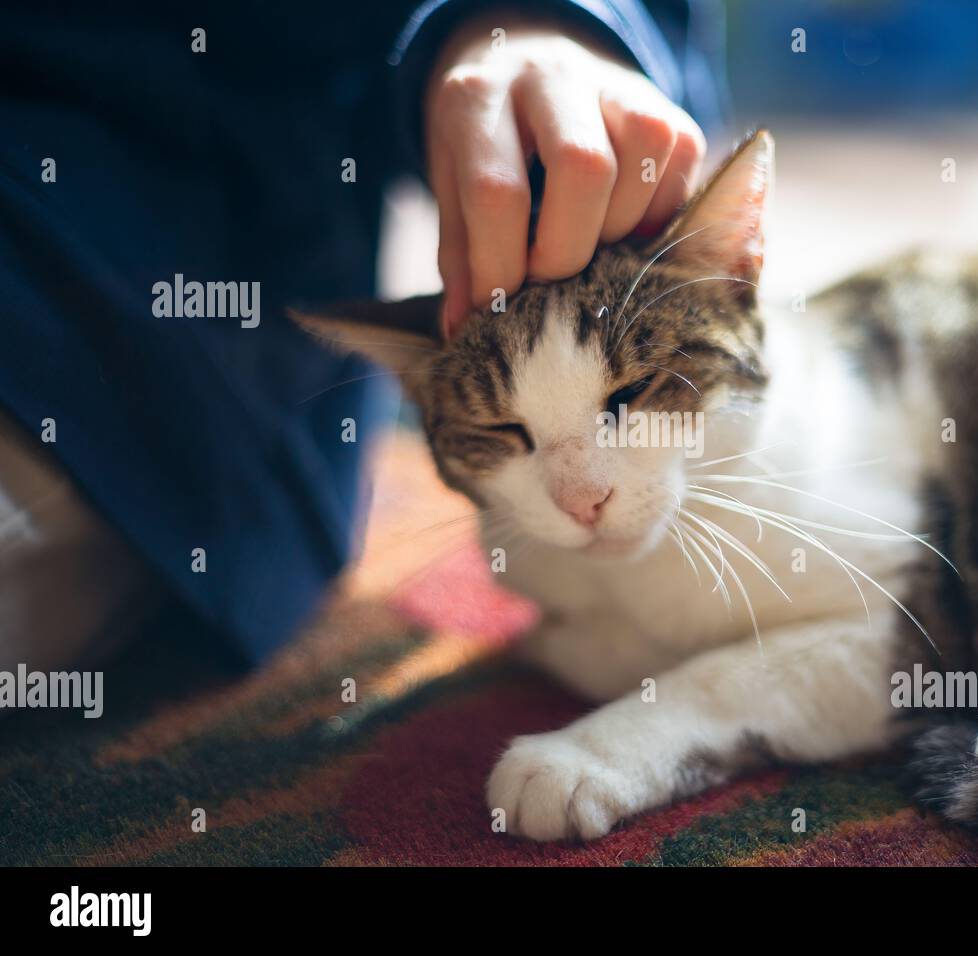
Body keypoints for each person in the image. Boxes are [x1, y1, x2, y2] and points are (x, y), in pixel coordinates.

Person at [0, 1, 722, 671]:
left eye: (628, 397)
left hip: (114, 244)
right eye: (510, 433)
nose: (579, 499)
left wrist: (540, 14)